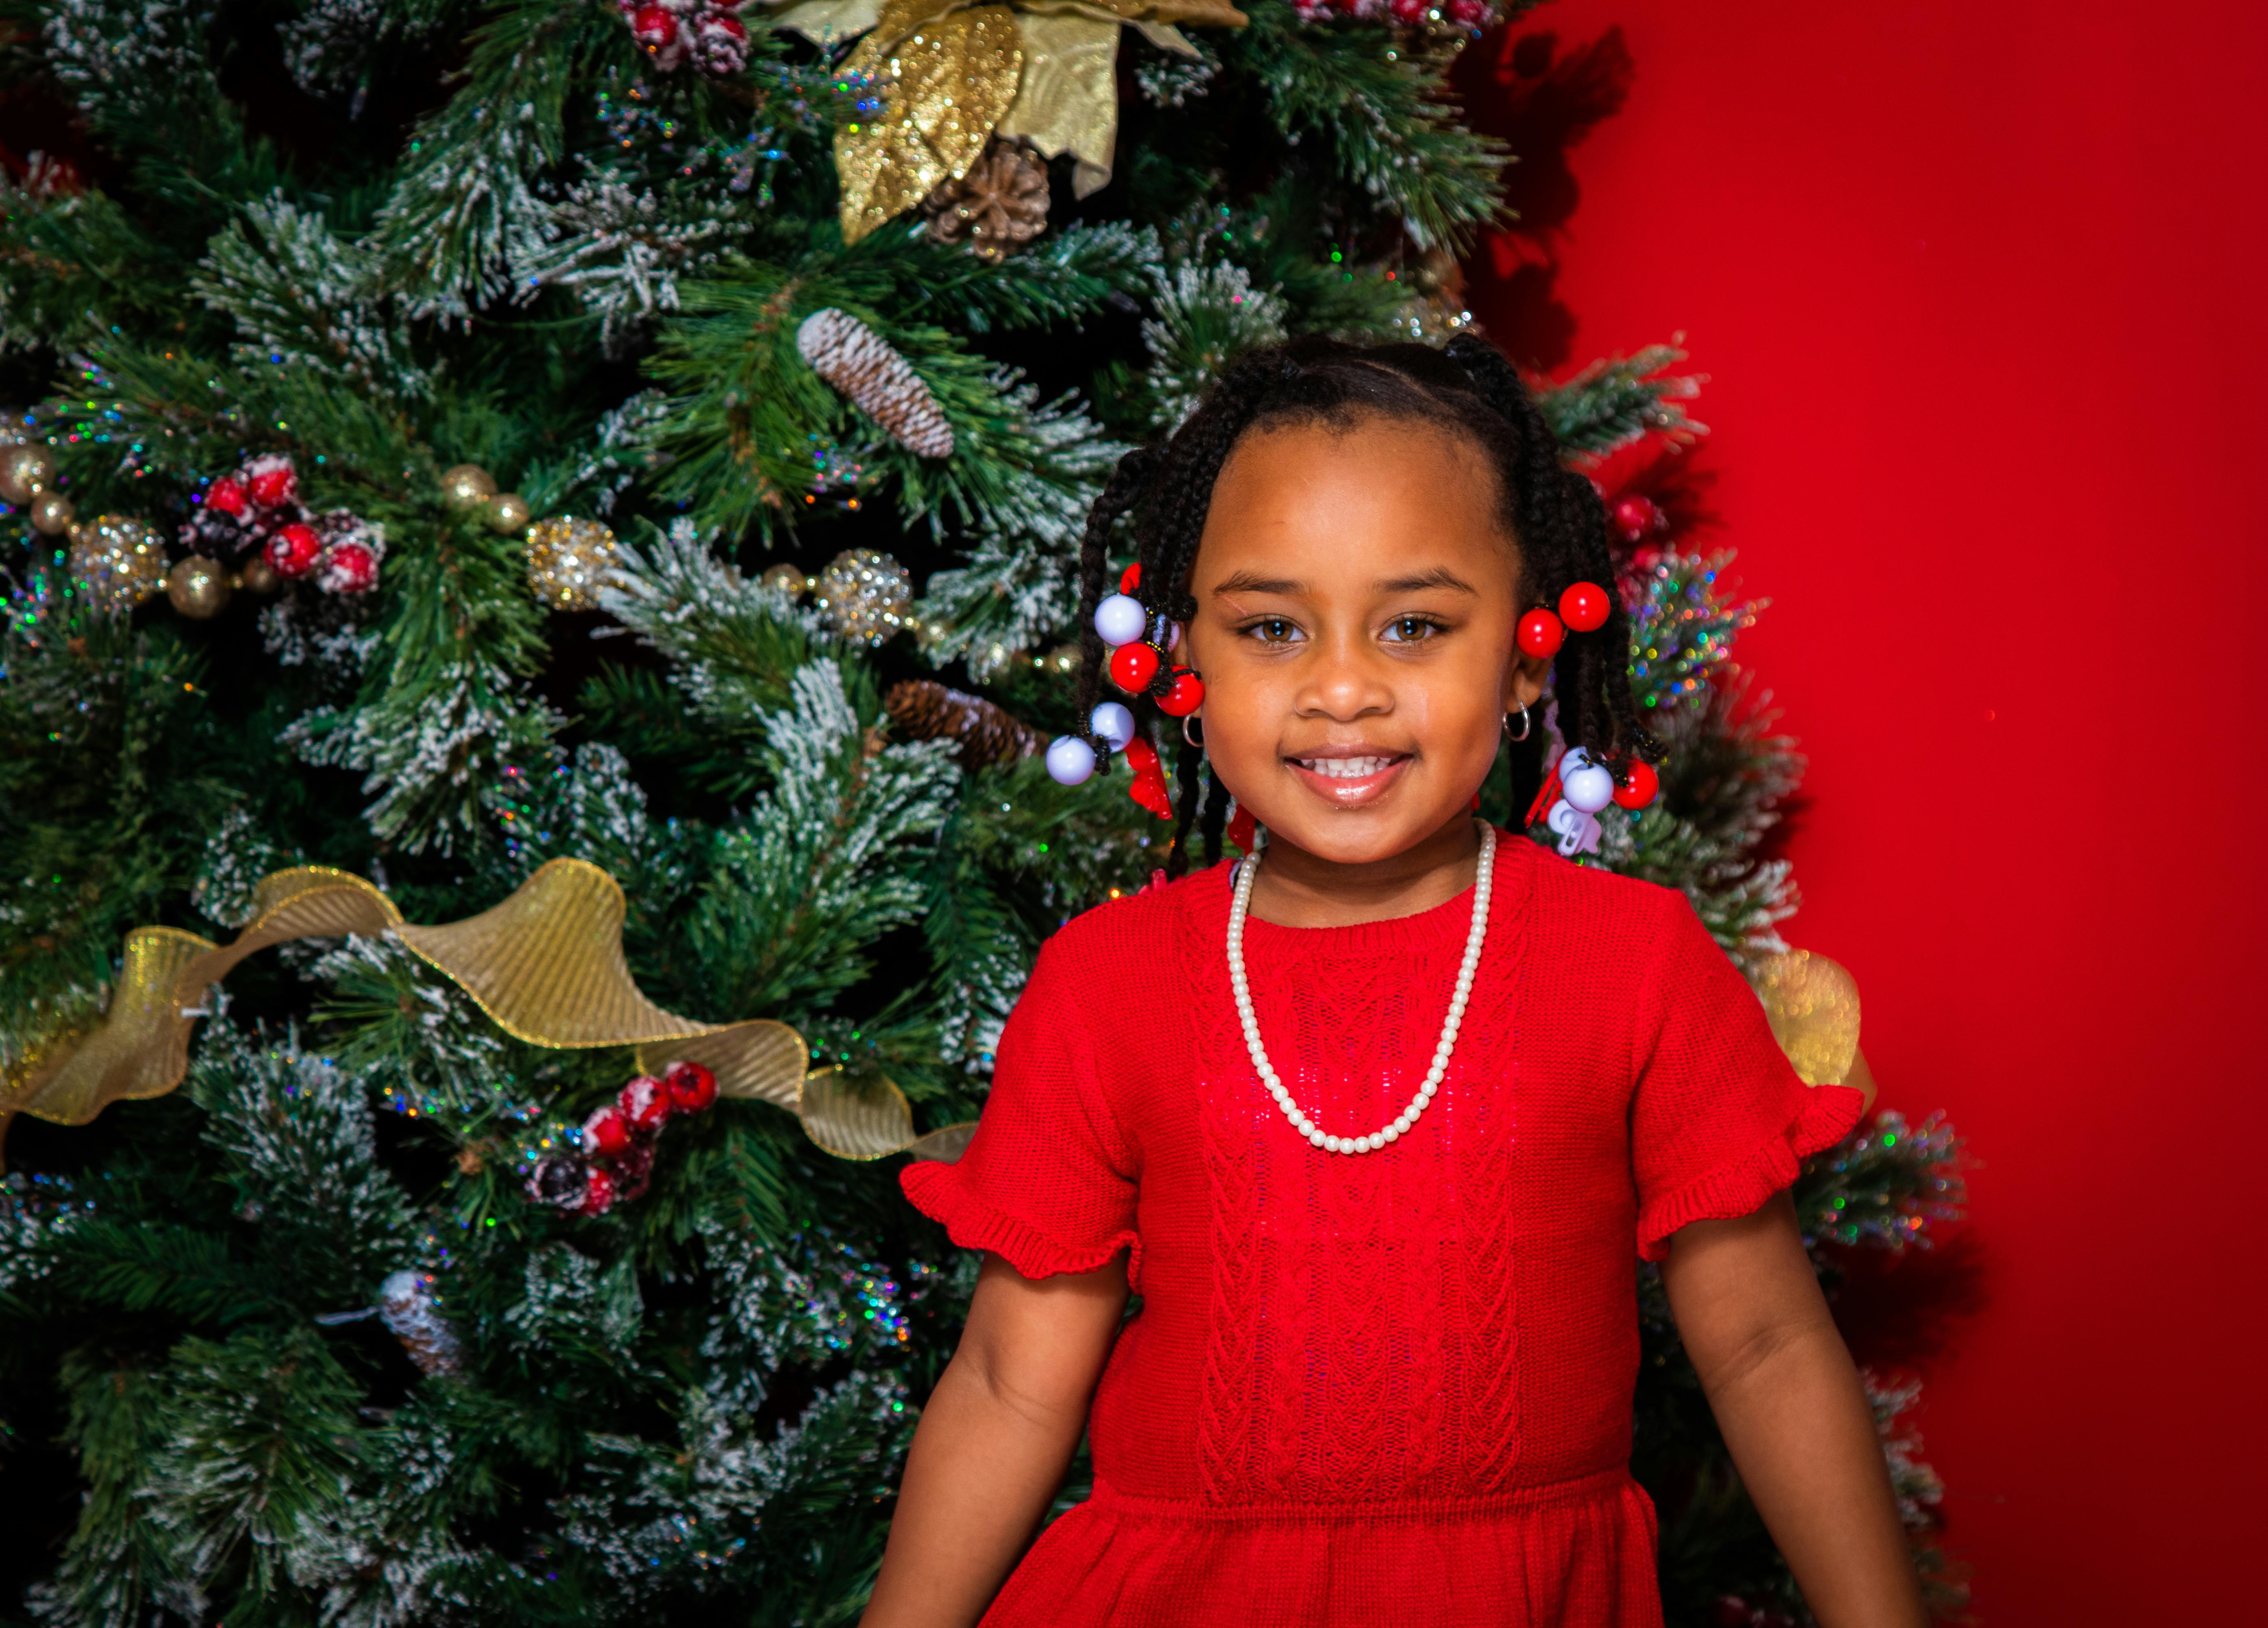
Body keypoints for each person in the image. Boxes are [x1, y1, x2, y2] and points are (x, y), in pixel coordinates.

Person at [860, 336, 1925, 1628]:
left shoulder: (1635, 965)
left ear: (1531, 654)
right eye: (1272, 629)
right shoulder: (1107, 985)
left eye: (1415, 625)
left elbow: (1764, 1347)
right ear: (1187, 654)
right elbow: (1008, 1386)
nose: (1344, 689)